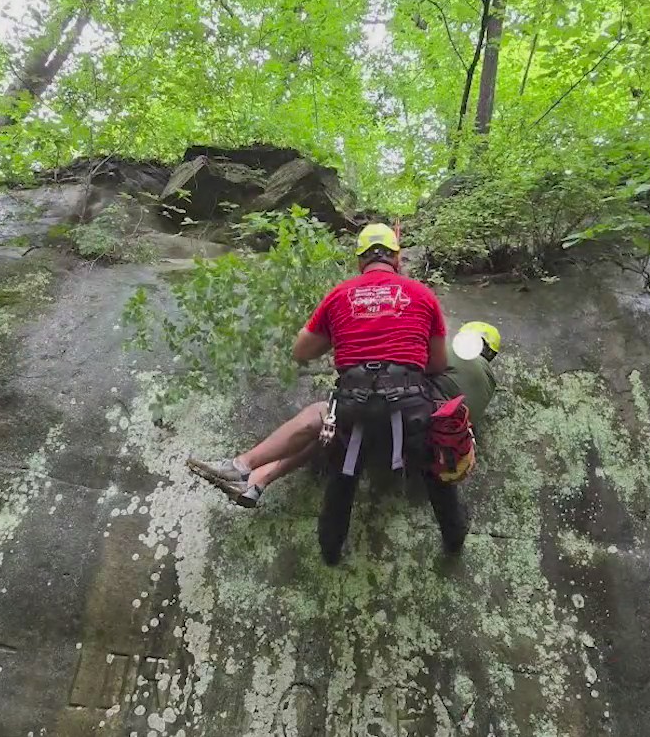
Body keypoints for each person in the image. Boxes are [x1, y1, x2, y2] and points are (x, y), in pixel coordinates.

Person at [190, 223, 461, 564]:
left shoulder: (340, 295)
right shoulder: (422, 295)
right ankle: (454, 540)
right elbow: (438, 363)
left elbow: (301, 351)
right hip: (411, 407)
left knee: (344, 473)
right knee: (434, 469)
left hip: (353, 404)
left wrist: (348, 330)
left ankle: (330, 550)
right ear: (396, 256)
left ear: (360, 259)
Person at [187, 319, 503, 508]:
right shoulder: (489, 386)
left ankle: (240, 465)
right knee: (331, 433)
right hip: (415, 454)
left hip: (401, 426)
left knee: (322, 414)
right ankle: (256, 483)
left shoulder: (456, 354)